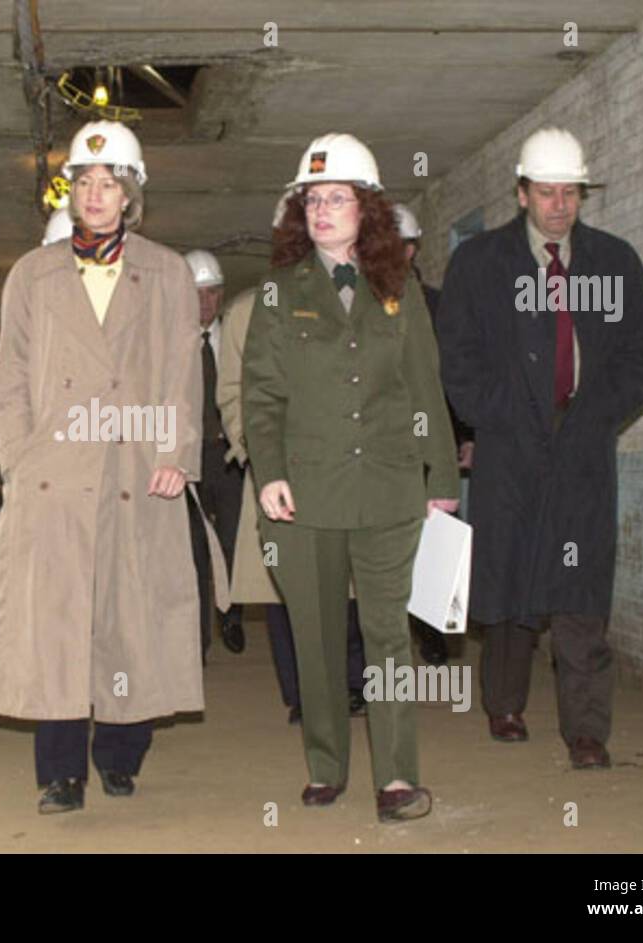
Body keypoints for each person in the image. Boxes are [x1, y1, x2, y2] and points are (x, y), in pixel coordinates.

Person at [0, 120, 205, 814]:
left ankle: (119, 752)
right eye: (84, 182)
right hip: (54, 470)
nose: (96, 194)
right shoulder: (32, 273)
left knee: (129, 614)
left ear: (131, 195)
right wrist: (17, 454)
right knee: (56, 620)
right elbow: (9, 374)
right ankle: (59, 772)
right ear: (70, 191)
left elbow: (180, 369)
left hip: (136, 465)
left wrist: (176, 451)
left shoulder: (165, 270)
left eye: (109, 184)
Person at [242, 132, 459, 822]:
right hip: (305, 493)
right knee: (318, 633)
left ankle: (397, 777)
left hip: (392, 487)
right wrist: (269, 474)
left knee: (389, 631)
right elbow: (261, 396)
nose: (322, 210)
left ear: (367, 209)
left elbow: (428, 388)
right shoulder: (278, 294)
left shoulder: (401, 290)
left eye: (336, 197)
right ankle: (326, 763)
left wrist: (441, 477)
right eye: (311, 200)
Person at [435, 127, 643, 769]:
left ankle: (586, 731)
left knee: (581, 588)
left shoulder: (615, 263)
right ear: (522, 193)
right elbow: (459, 360)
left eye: (571, 193)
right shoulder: (479, 264)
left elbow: (641, 355)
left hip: (583, 452)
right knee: (508, 581)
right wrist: (497, 418)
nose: (559, 205)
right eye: (546, 192)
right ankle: (504, 702)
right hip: (510, 451)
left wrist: (599, 416)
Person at [216, 282, 301, 723]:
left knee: (345, 585)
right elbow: (232, 391)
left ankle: (350, 684)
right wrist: (257, 454)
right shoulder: (249, 313)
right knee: (281, 586)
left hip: (342, 470)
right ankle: (301, 694)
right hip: (275, 467)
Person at [184, 249, 246, 658]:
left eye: (212, 293)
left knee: (233, 542)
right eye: (198, 294)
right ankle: (197, 638)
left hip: (230, 459)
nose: (206, 302)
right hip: (188, 460)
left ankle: (232, 615)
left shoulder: (239, 339)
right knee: (191, 550)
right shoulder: (170, 344)